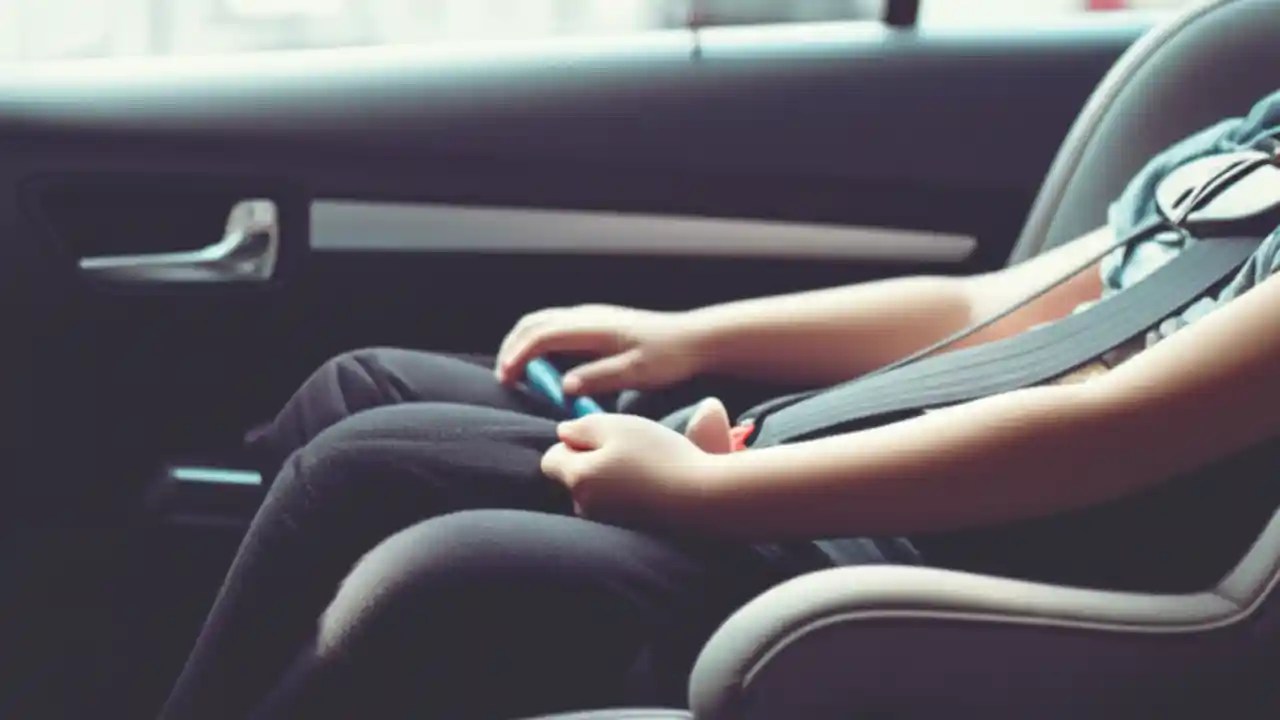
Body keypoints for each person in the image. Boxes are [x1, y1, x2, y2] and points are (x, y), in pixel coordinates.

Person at [159, 91, 1280, 720]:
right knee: (359, 390)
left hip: (960, 569)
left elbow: (1104, 433)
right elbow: (996, 300)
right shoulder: (1251, 139)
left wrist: (716, 491)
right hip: (877, 455)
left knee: (370, 479)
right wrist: (691, 335)